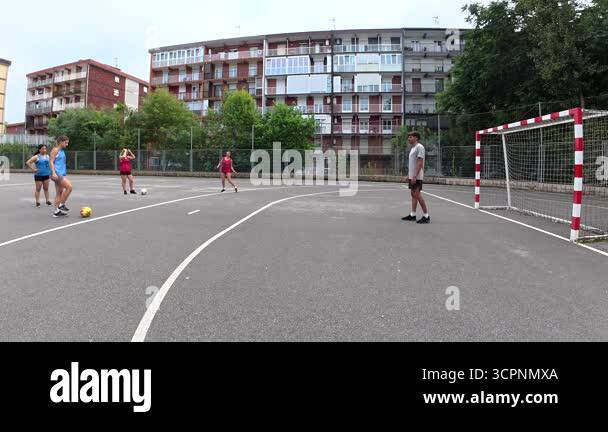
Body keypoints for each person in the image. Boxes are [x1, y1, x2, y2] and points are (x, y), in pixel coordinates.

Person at [402, 132, 430, 224]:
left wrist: (414, 176)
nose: (408, 139)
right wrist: (409, 176)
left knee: (417, 194)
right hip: (413, 175)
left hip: (417, 176)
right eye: (408, 137)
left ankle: (426, 216)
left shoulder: (419, 147)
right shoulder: (413, 148)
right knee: (413, 195)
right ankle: (413, 215)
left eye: (410, 137)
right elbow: (412, 164)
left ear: (416, 138)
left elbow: (420, 162)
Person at [49, 136, 73, 218]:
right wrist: (53, 173)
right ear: (61, 142)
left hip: (61, 173)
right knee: (69, 187)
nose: (67, 144)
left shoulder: (62, 151)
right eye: (66, 142)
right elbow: (51, 162)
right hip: (56, 173)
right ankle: (61, 205)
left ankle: (56, 211)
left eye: (67, 142)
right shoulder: (55, 150)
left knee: (59, 193)